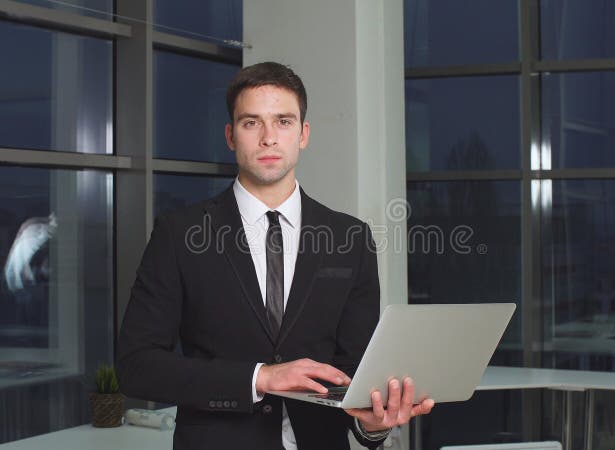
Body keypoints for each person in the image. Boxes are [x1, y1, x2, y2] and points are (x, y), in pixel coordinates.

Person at [116, 61, 433, 450]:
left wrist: (374, 425)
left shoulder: (350, 238)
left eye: (283, 121)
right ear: (231, 136)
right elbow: (136, 365)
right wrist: (260, 377)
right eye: (252, 123)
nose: (269, 138)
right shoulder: (179, 234)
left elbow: (356, 375)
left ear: (303, 134)